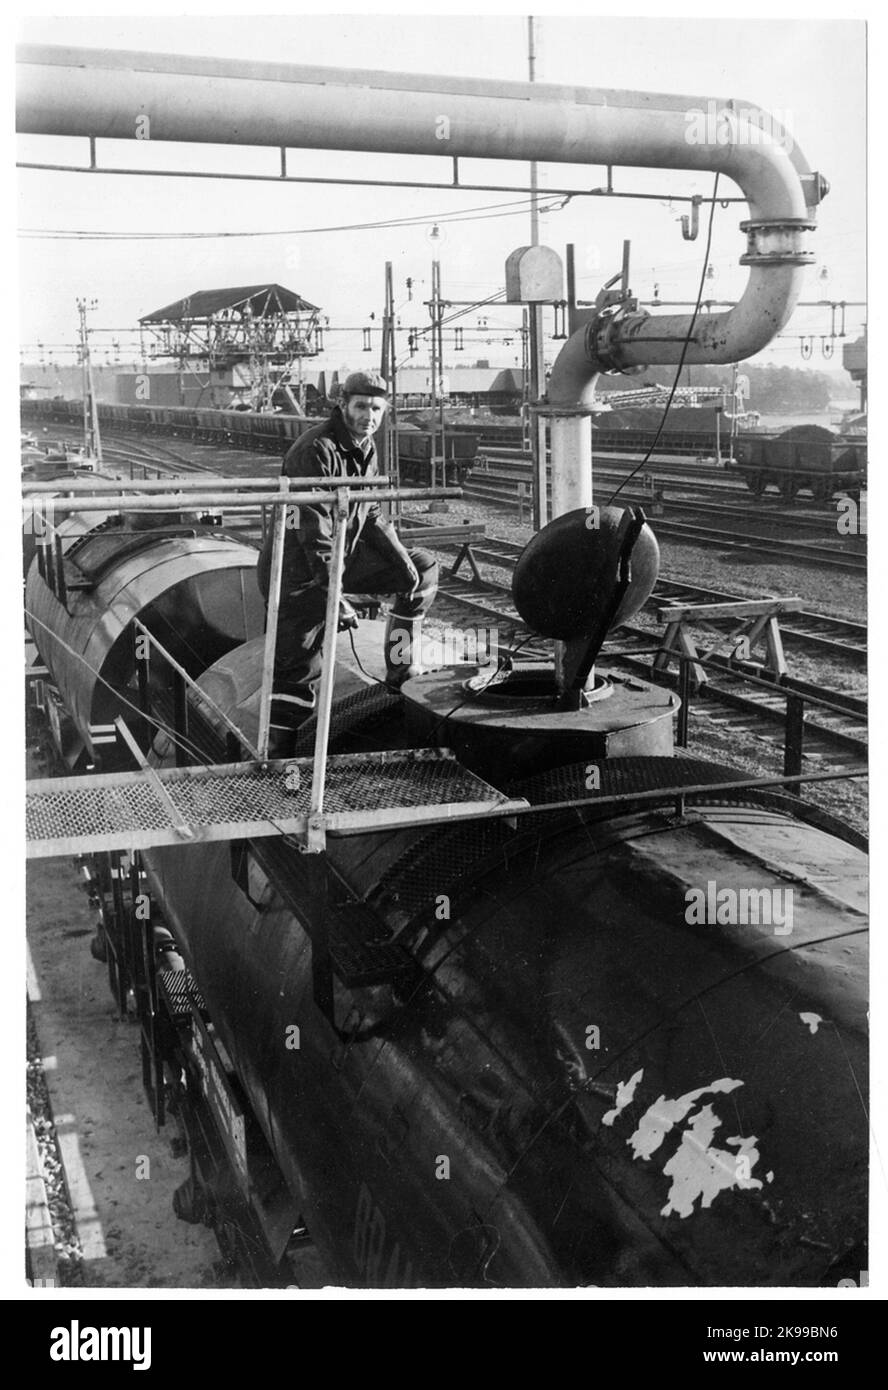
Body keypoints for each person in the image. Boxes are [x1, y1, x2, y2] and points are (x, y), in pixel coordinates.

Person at [256, 370, 438, 753]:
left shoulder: (365, 447)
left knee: (422, 570)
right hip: (297, 575)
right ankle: (280, 761)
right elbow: (314, 532)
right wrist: (334, 596)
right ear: (343, 405)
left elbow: (370, 513)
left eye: (376, 409)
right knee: (298, 670)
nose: (368, 416)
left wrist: (401, 561)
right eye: (361, 407)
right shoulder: (316, 450)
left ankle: (400, 669)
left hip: (339, 560)